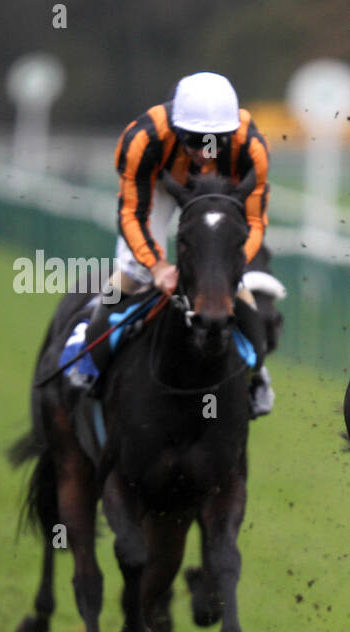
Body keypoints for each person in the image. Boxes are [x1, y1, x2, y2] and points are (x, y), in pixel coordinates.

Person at [69, 71, 278, 417]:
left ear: (230, 134)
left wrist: (227, 266)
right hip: (159, 183)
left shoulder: (251, 147)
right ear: (177, 130)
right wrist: (158, 267)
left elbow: (254, 221)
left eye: (214, 141)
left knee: (232, 282)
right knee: (134, 272)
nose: (203, 151)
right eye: (194, 141)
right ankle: (90, 355)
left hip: (218, 190)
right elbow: (132, 215)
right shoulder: (141, 139)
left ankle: (257, 374)